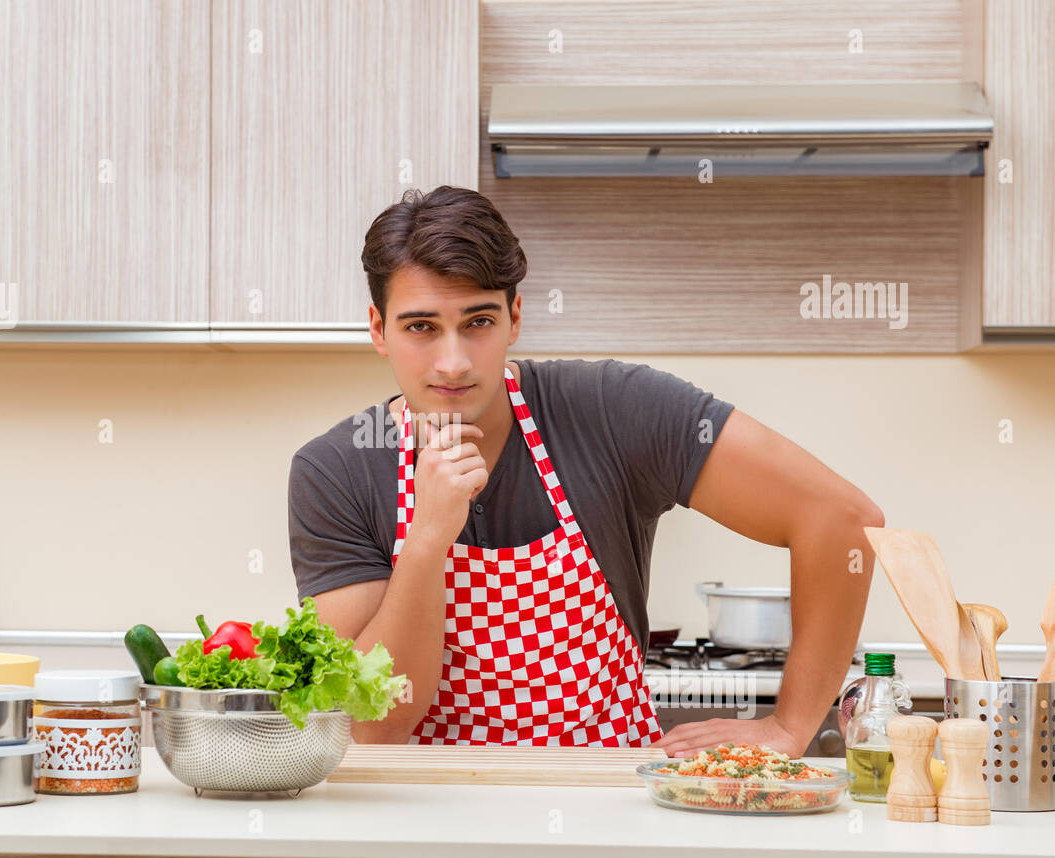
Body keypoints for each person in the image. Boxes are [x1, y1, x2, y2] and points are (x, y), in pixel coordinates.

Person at [287, 185, 883, 756]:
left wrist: (787, 728)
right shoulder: (335, 472)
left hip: (607, 811)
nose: (453, 361)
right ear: (378, 329)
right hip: (422, 823)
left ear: (515, 318)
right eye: (421, 327)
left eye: (479, 322)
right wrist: (424, 545)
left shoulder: (612, 410)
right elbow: (373, 729)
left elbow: (844, 520)